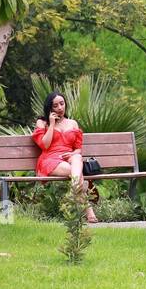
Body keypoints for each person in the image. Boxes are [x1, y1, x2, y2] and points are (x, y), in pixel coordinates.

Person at [33, 92, 97, 222]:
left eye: (62, 104)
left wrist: (73, 154)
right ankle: (89, 212)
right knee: (77, 173)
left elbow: (78, 148)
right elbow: (44, 145)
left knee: (77, 158)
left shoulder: (73, 123)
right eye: (55, 105)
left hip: (69, 157)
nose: (60, 108)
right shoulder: (42, 123)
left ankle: (74, 188)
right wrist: (51, 124)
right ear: (50, 108)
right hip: (50, 159)